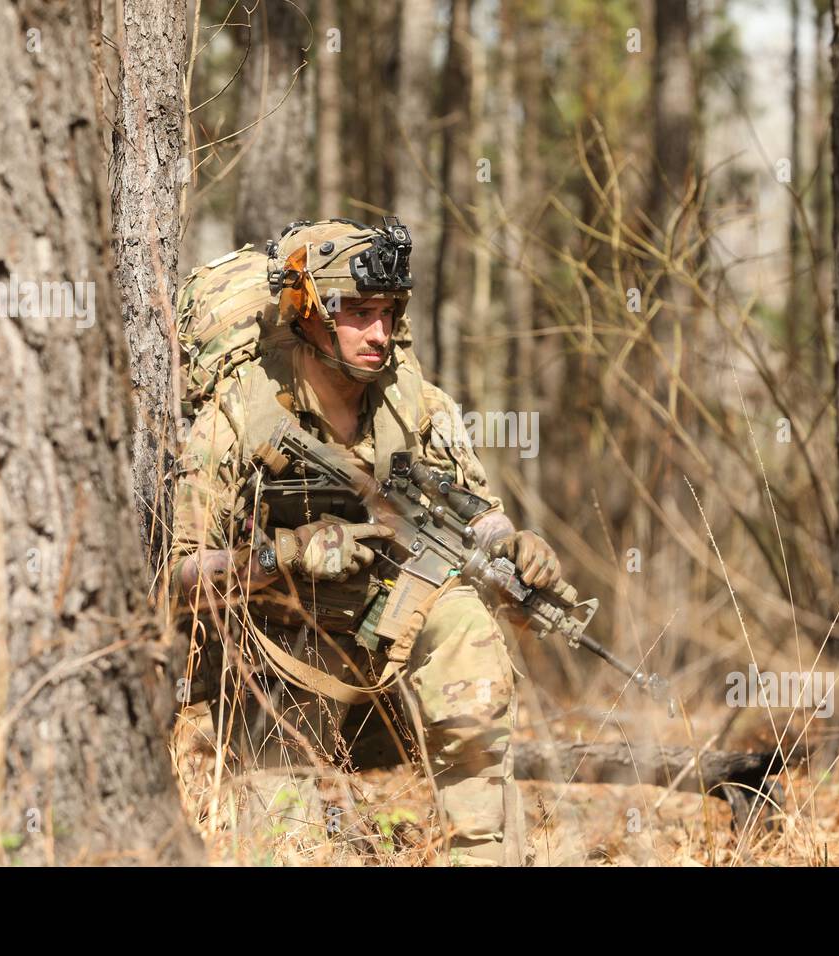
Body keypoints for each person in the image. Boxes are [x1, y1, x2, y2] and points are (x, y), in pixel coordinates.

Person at [170, 217, 561, 866]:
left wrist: (515, 542)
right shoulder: (241, 408)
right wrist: (276, 557)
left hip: (389, 627)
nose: (379, 333)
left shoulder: (411, 398)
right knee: (283, 849)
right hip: (284, 644)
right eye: (357, 314)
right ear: (310, 313)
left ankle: (484, 853)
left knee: (465, 621)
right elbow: (180, 575)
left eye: (387, 312)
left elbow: (475, 510)